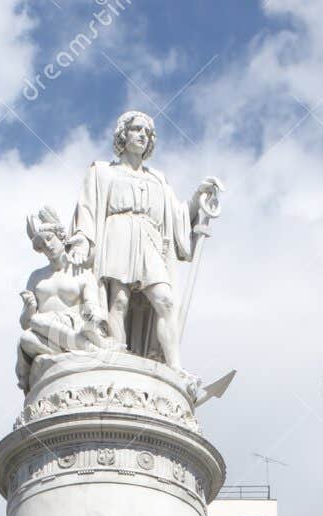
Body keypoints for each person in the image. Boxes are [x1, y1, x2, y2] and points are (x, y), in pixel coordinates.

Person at [65, 110, 220, 371]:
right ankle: (118, 359)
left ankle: (174, 368)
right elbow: (88, 208)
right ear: (123, 134)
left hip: (149, 239)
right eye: (137, 129)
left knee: (166, 301)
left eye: (147, 133)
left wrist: (199, 197)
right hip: (118, 233)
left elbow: (178, 217)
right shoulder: (102, 171)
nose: (143, 136)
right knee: (119, 301)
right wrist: (81, 238)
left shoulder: (157, 179)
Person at [16, 206, 109, 393]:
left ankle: (83, 347)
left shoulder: (82, 273)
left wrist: (92, 314)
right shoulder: (36, 277)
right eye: (41, 245)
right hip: (45, 333)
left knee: (37, 322)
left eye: (49, 239)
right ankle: (84, 350)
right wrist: (29, 308)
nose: (47, 247)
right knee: (27, 338)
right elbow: (25, 322)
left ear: (60, 237)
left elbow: (92, 305)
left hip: (74, 326)